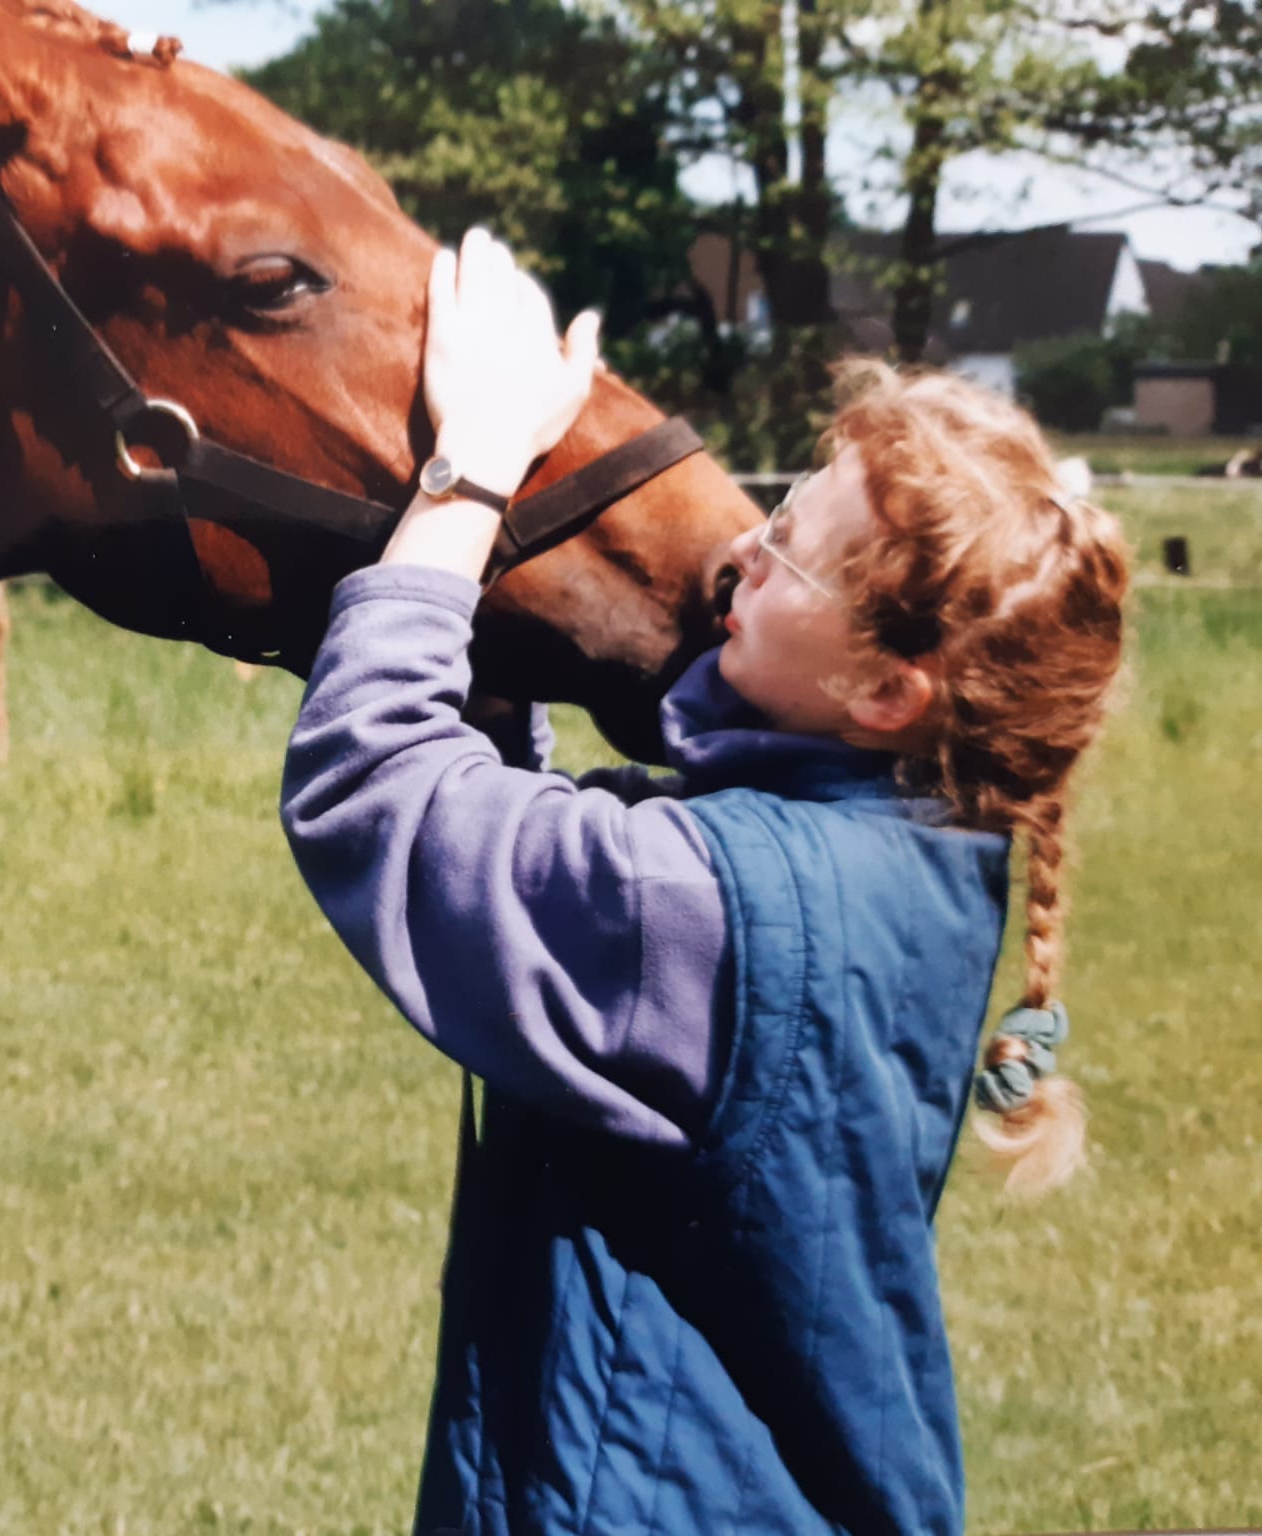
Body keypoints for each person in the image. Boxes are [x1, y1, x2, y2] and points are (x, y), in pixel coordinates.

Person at [279, 229, 1131, 1535]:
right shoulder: (909, 857)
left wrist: (471, 472)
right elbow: (572, 871)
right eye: (777, 511)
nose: (743, 553)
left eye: (792, 556)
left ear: (884, 690)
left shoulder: (726, 910)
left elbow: (377, 787)